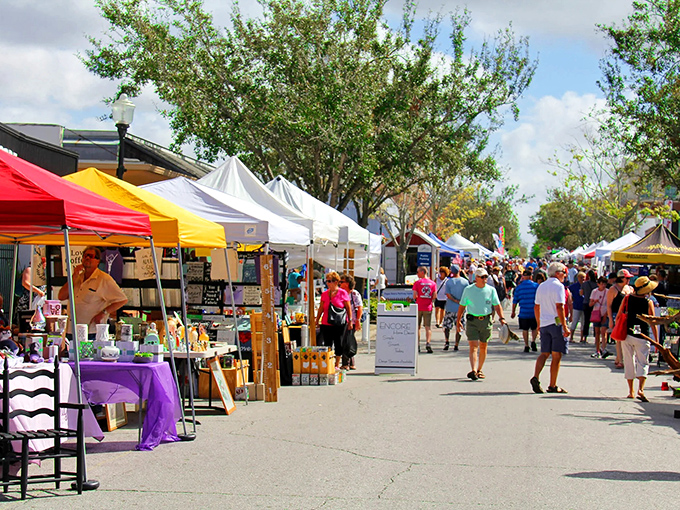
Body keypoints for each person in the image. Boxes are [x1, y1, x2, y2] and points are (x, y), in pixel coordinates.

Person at [57, 246, 128, 335]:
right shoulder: (77, 277)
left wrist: (104, 313)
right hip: (71, 330)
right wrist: (73, 276)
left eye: (91, 256)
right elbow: (61, 296)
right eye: (85, 256)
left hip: (91, 331)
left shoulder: (104, 279)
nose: (87, 258)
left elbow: (122, 300)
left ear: (97, 261)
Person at [456, 268, 507, 380]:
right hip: (472, 320)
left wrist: (502, 318)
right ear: (476, 278)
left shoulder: (491, 290)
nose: (485, 279)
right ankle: (473, 370)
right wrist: (458, 320)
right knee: (473, 346)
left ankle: (479, 369)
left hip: (486, 320)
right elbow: (462, 305)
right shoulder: (468, 290)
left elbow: (497, 305)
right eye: (482, 277)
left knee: (483, 346)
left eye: (486, 277)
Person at [530, 262, 569, 394]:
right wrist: (564, 325)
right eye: (563, 273)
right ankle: (553, 384)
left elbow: (536, 306)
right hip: (556, 323)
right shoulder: (559, 287)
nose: (564, 275)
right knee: (556, 355)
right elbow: (560, 307)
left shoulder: (542, 286)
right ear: (558, 273)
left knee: (544, 353)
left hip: (545, 323)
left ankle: (536, 376)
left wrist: (539, 323)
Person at [620, 276, 658, 401]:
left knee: (628, 361)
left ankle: (630, 391)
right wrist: (656, 341)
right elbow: (652, 322)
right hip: (642, 336)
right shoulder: (648, 302)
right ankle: (640, 389)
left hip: (627, 334)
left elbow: (620, 314)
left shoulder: (627, 298)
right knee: (642, 362)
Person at [315, 271, 352, 370]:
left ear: (336, 282)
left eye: (330, 281)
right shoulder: (324, 294)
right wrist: (317, 320)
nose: (328, 283)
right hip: (326, 322)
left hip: (339, 323)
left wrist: (350, 321)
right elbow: (321, 308)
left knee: (338, 343)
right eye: (327, 281)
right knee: (327, 343)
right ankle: (328, 362)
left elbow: (348, 308)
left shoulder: (342, 293)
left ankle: (336, 364)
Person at [607, 269, 633, 369]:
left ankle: (619, 358)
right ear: (621, 278)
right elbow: (609, 305)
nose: (629, 280)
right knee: (619, 338)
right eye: (627, 278)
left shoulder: (630, 289)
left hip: (627, 315)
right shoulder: (613, 289)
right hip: (616, 315)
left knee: (627, 338)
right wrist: (610, 320)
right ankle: (620, 360)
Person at [512, 269, 539, 353]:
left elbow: (515, 300)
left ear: (523, 277)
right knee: (535, 328)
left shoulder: (519, 287)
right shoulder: (536, 286)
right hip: (534, 312)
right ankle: (533, 341)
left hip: (523, 312)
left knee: (525, 329)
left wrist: (513, 311)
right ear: (531, 277)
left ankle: (526, 345)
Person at [443, 265, 469, 351]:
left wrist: (454, 300)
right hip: (461, 308)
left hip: (450, 307)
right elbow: (467, 295)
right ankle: (456, 344)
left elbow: (448, 294)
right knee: (459, 325)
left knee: (447, 325)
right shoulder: (465, 282)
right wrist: (461, 302)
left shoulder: (449, 282)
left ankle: (447, 341)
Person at [339, 273, 362, 370]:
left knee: (346, 340)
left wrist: (358, 320)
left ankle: (345, 363)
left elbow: (359, 307)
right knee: (348, 340)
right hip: (342, 319)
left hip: (351, 320)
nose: (340, 283)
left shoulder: (354, 294)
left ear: (348, 283)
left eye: (342, 282)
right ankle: (351, 363)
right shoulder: (340, 293)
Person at [413, 266, 436, 353]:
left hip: (418, 307)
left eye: (418, 272)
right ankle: (428, 343)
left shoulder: (417, 283)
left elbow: (414, 295)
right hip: (428, 307)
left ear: (422, 272)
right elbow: (434, 296)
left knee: (417, 327)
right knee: (428, 327)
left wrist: (418, 297)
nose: (417, 274)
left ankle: (418, 344)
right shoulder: (432, 283)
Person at [589, 277, 610, 358]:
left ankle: (603, 349)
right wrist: (594, 301)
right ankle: (597, 350)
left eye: (604, 284)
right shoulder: (594, 291)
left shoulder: (608, 292)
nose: (603, 285)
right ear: (598, 284)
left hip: (605, 313)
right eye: (601, 284)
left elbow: (609, 304)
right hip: (596, 313)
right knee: (597, 332)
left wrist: (606, 315)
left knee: (604, 331)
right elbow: (590, 304)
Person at [568, 272, 587, 343]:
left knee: (583, 323)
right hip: (576, 306)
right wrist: (571, 298)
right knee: (574, 321)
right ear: (578, 278)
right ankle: (571, 337)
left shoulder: (586, 285)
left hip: (585, 306)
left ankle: (582, 338)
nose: (583, 279)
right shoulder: (574, 286)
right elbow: (568, 290)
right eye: (581, 277)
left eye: (584, 277)